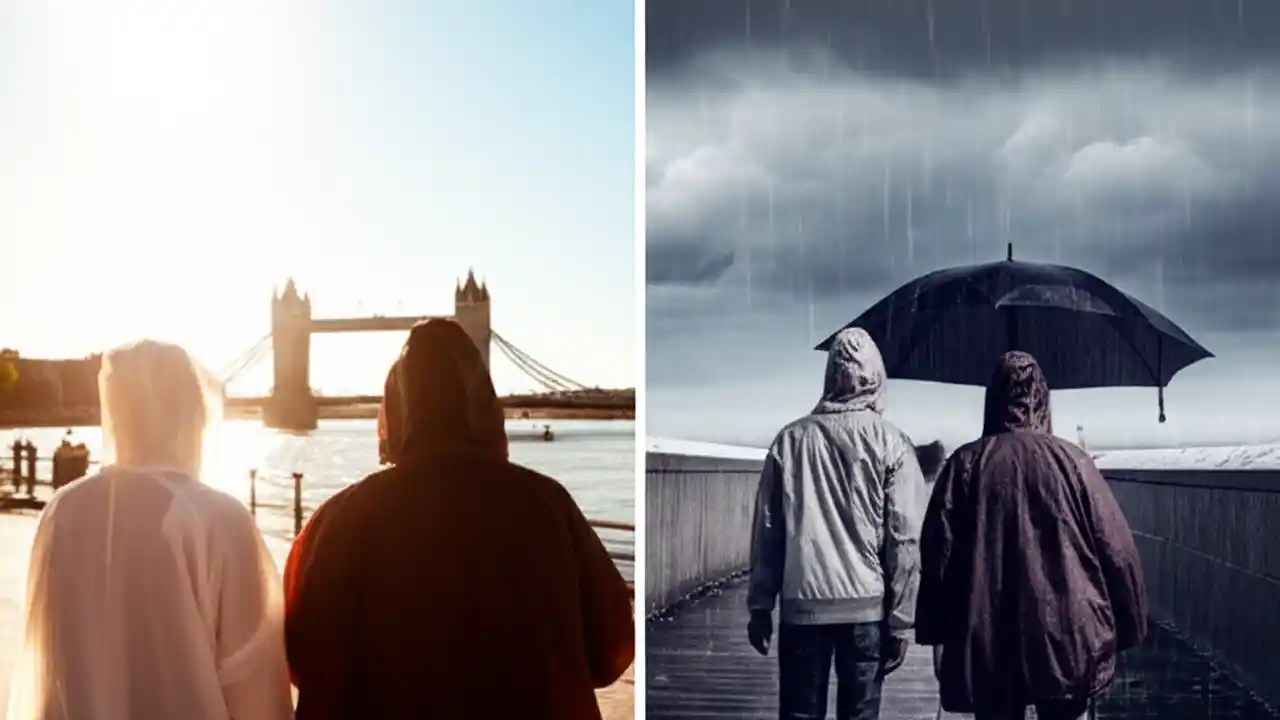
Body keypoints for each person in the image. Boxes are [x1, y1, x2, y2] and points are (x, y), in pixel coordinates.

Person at [284, 319, 634, 719]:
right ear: (487, 408)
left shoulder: (335, 521)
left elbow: (300, 660)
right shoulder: (549, 507)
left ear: (393, 412)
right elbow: (611, 651)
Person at [7, 340, 293, 719]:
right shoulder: (218, 517)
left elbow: (45, 662)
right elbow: (252, 674)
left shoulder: (63, 509)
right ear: (194, 413)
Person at [916, 351, 1147, 720]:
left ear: (993, 399)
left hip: (988, 638)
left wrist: (937, 633)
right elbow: (1117, 551)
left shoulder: (964, 464)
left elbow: (936, 557)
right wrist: (1129, 624)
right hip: (1066, 633)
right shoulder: (1074, 462)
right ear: (1042, 399)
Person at [747, 326, 930, 720]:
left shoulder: (789, 440)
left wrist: (761, 605)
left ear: (830, 375)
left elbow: (768, 532)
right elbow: (905, 538)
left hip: (801, 607)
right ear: (876, 377)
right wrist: (901, 620)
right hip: (866, 610)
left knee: (799, 713)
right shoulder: (892, 443)